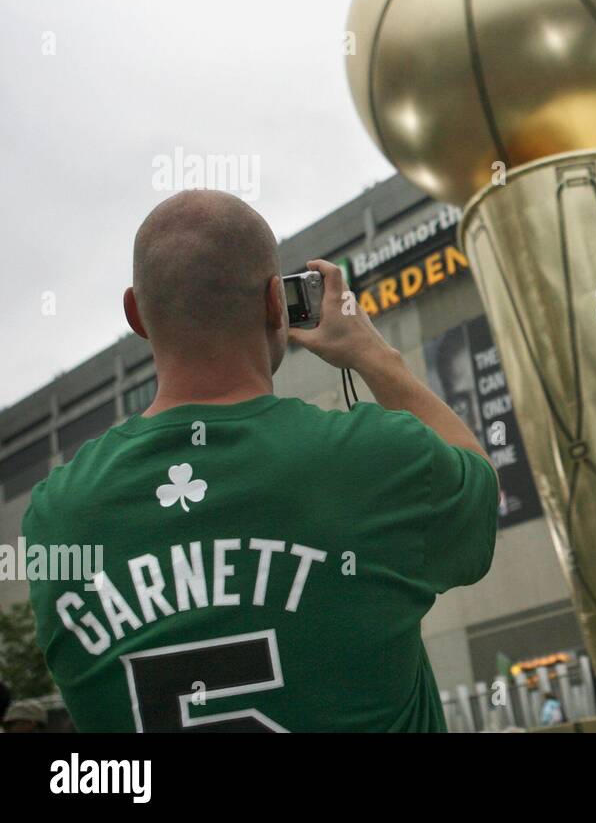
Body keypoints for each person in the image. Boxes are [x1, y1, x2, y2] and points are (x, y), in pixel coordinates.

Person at [23, 190, 499, 732]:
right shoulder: (372, 458)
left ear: (136, 314)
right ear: (277, 302)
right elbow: (480, 493)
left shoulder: (57, 516)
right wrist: (375, 355)